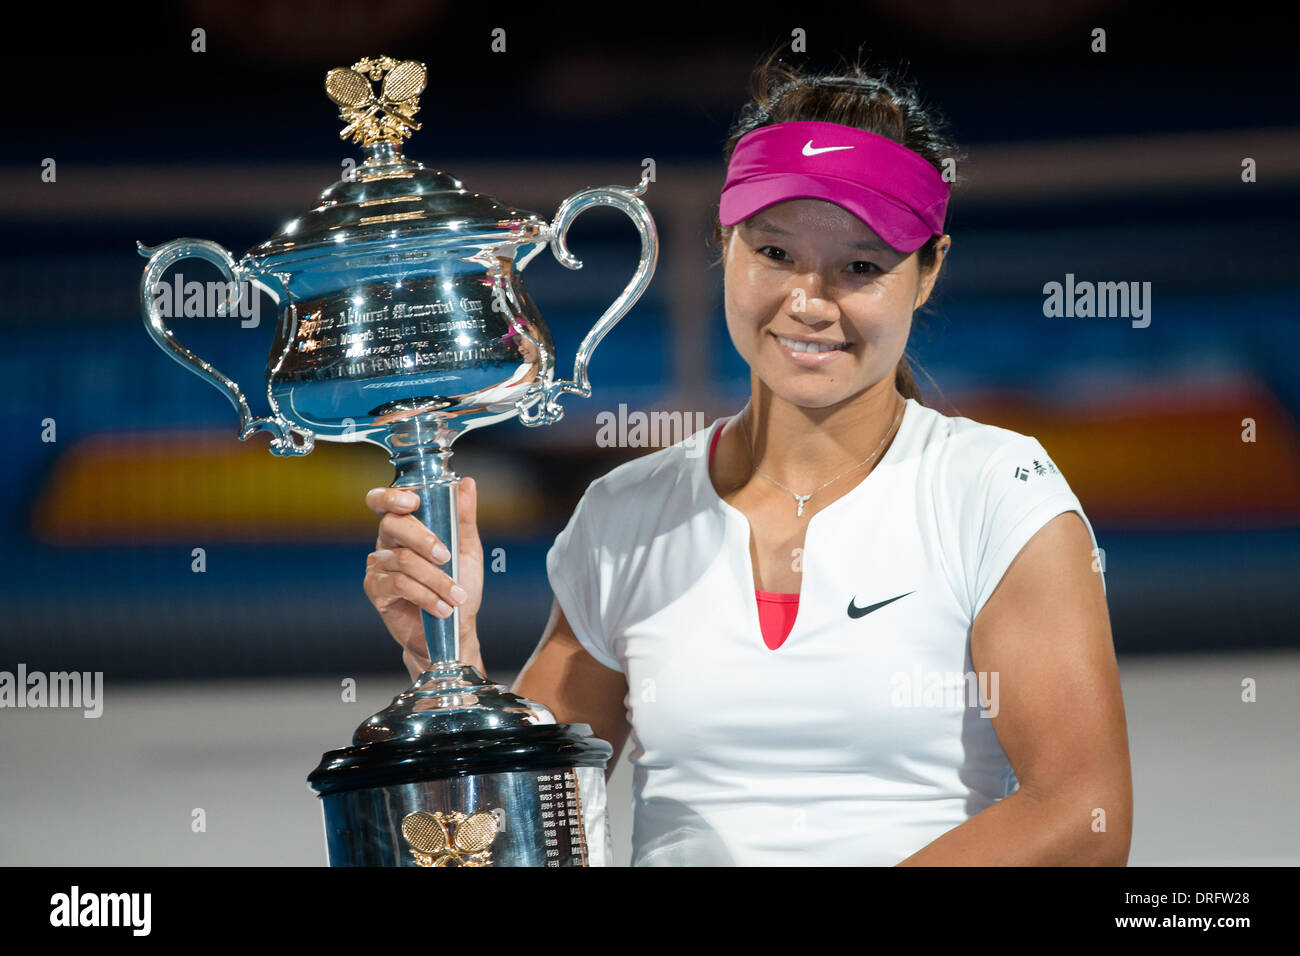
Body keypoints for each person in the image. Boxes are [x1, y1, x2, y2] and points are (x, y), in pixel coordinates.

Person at [361, 51, 1132, 866]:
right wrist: (451, 665)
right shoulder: (624, 514)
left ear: (929, 270)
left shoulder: (999, 491)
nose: (808, 301)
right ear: (725, 243)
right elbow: (520, 839)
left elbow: (1084, 819)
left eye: (861, 267)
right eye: (775, 253)